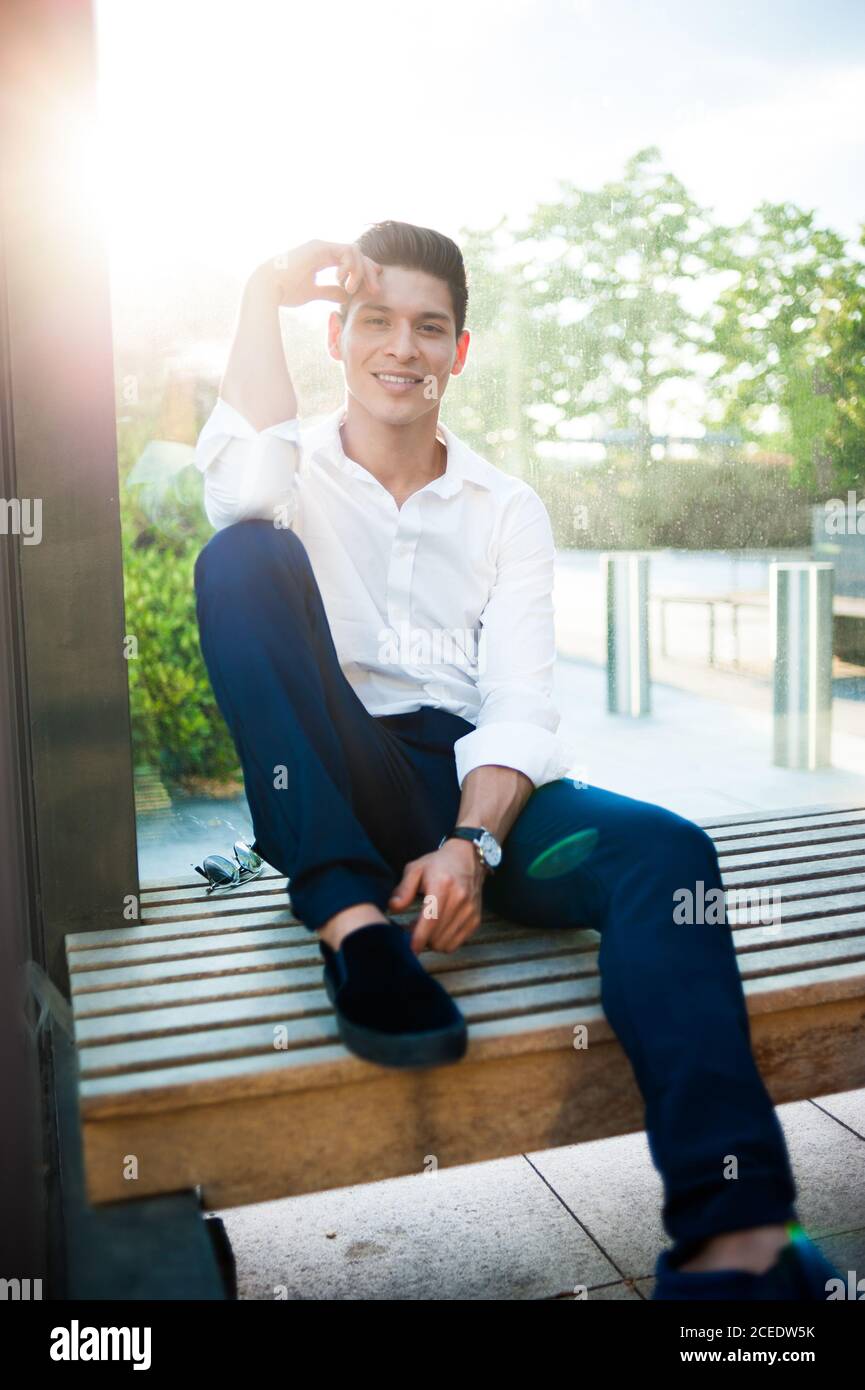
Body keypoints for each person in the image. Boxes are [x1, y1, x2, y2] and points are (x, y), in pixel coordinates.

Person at [191, 221, 840, 1301]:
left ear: (460, 350)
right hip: (340, 777)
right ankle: (352, 926)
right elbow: (241, 500)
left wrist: (470, 842)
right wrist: (261, 289)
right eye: (376, 321)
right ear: (340, 336)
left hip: (478, 790)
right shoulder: (293, 467)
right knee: (241, 553)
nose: (402, 347)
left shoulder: (506, 506)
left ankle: (736, 1248)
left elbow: (520, 704)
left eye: (428, 327)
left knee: (666, 853)